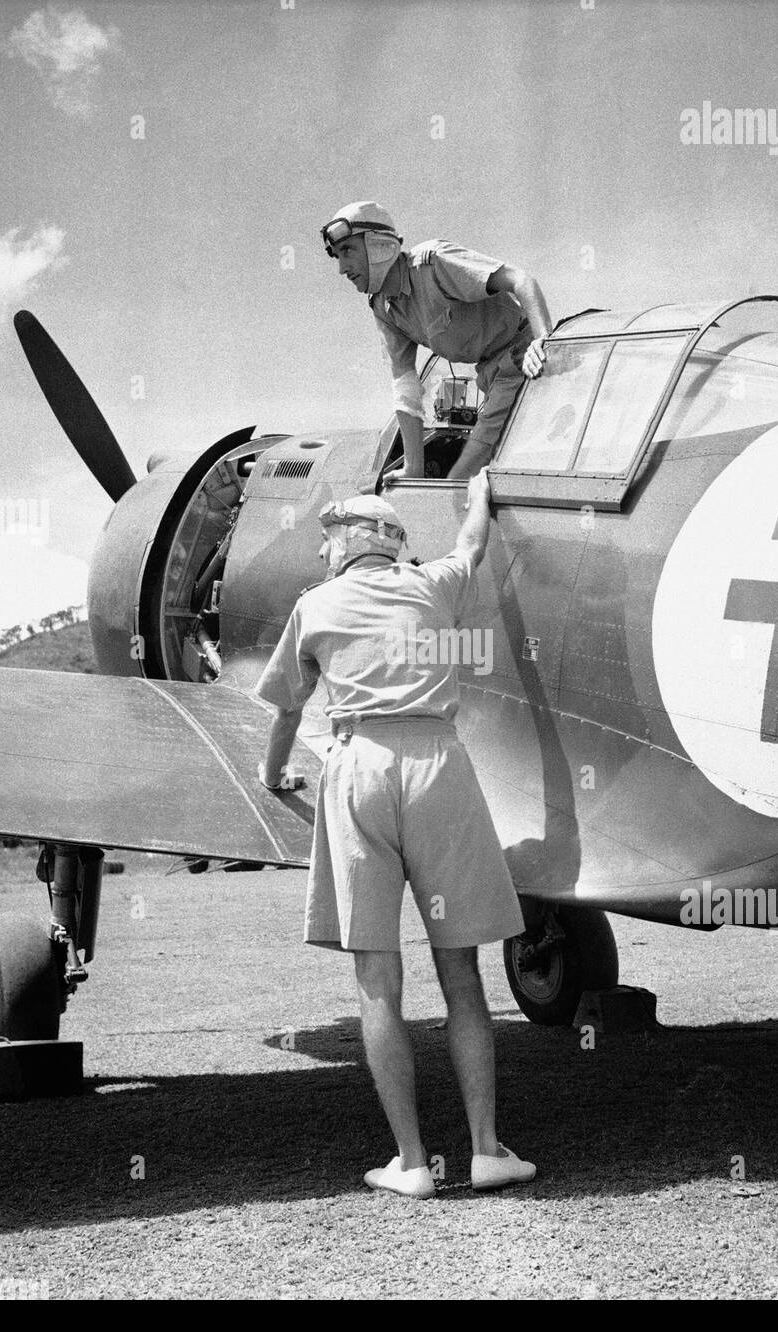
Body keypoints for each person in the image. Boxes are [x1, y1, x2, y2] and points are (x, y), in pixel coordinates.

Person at [254, 474, 535, 1198]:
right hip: (438, 765)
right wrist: (480, 491)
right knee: (462, 973)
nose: (322, 551)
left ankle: (410, 1163)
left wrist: (271, 774)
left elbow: (287, 709)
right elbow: (472, 544)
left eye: (327, 540)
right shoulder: (431, 585)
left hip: (358, 767)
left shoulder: (312, 606)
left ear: (346, 544)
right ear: (393, 545)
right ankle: (483, 1151)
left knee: (377, 980)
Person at [320, 200, 553, 480]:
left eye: (347, 251)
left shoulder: (433, 263)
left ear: (379, 245)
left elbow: (520, 280)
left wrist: (544, 341)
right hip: (489, 375)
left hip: (523, 360)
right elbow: (405, 386)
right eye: (337, 256)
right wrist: (413, 469)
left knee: (461, 481)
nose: (342, 268)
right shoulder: (384, 306)